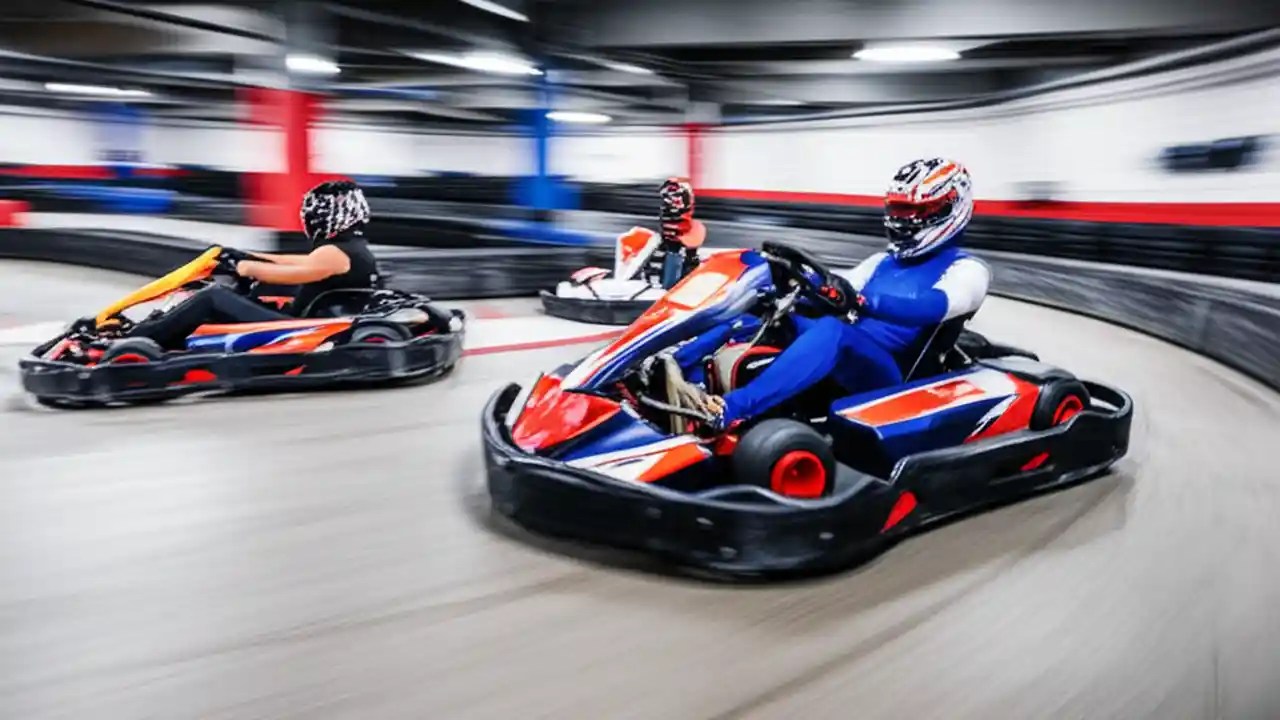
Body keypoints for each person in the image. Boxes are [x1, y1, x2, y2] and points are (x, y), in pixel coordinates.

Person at [681, 158, 991, 430]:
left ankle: (730, 410)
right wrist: (797, 288)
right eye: (898, 209)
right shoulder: (881, 261)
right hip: (857, 347)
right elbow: (841, 286)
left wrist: (863, 301)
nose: (902, 219)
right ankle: (679, 367)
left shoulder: (968, 270)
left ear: (948, 209)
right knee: (764, 311)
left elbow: (930, 307)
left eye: (914, 211)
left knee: (834, 331)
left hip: (894, 376)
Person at [125, 179, 382, 350]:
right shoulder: (350, 249)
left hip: (297, 327)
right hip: (305, 318)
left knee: (213, 297)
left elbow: (293, 274)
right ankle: (169, 334)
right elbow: (296, 262)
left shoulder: (336, 253)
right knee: (239, 297)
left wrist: (246, 268)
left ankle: (142, 337)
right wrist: (245, 255)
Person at [644, 177, 706, 288]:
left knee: (682, 253)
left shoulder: (678, 195)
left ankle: (673, 281)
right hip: (676, 238)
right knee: (672, 251)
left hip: (681, 235)